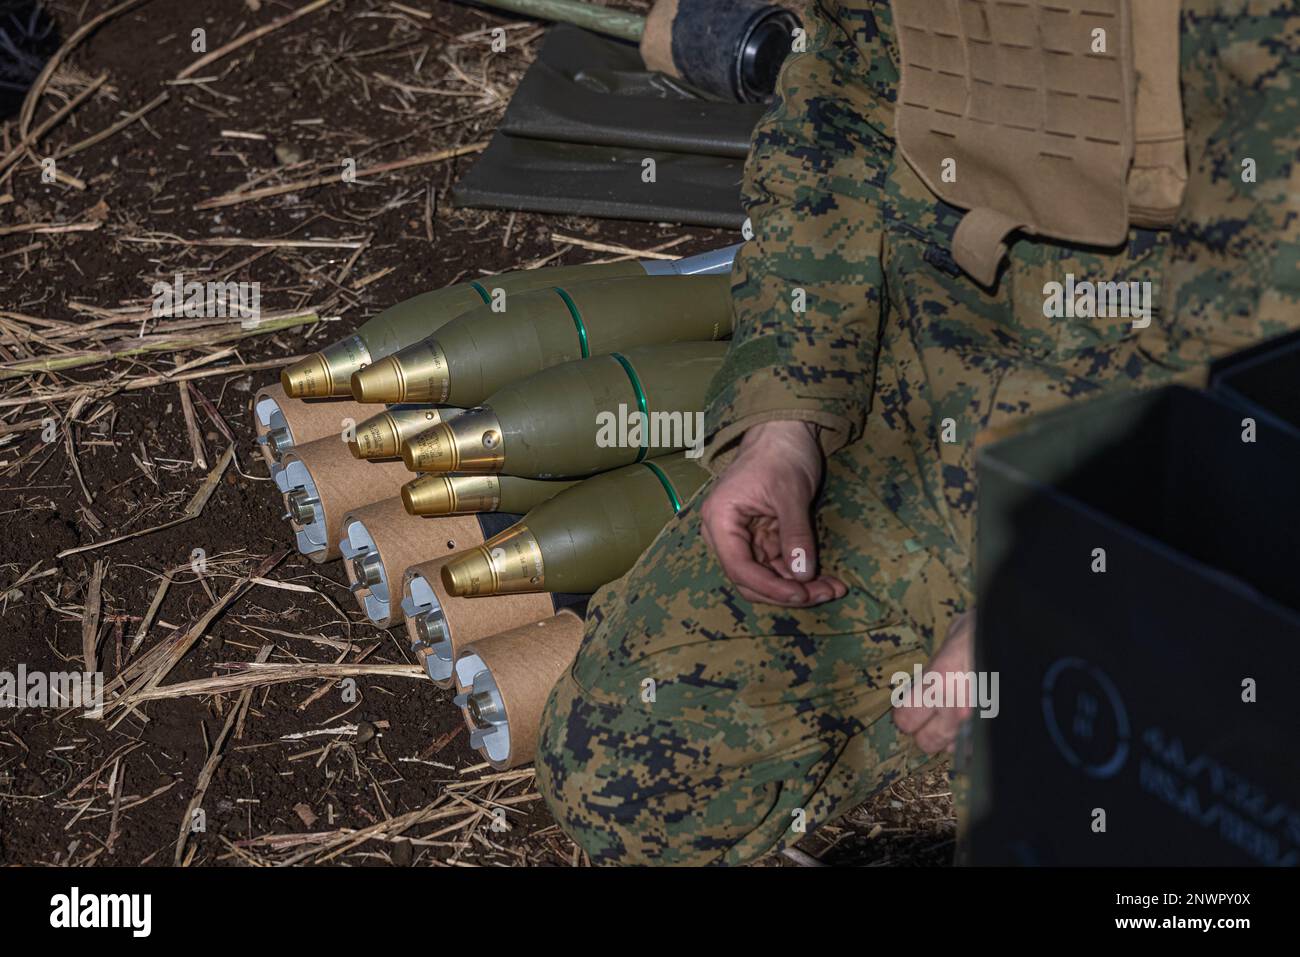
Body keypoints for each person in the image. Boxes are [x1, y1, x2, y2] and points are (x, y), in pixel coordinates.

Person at [534, 0, 1300, 865]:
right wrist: (783, 422)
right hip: (920, 415)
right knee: (624, 774)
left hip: (1183, 493)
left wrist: (1067, 580)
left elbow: (1267, 337)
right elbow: (832, 117)